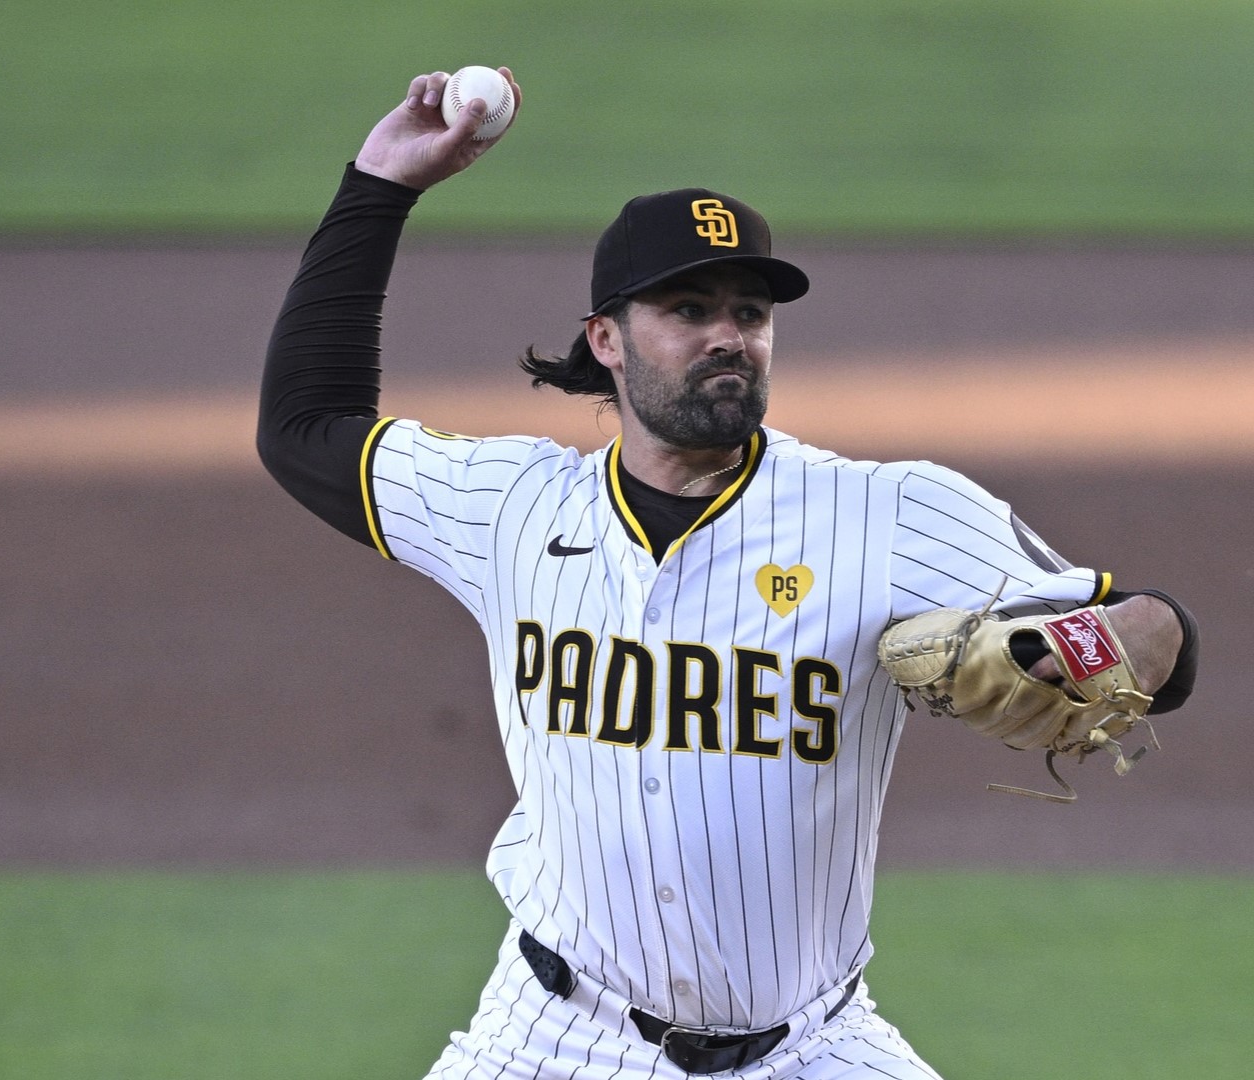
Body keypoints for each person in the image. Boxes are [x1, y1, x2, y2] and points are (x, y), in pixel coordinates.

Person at [258, 69, 1194, 1079]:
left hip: (815, 1049)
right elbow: (304, 427)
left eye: (749, 313)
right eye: (689, 307)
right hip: (549, 1040)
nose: (727, 336)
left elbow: (1156, 633)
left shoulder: (889, 514)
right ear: (606, 340)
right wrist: (380, 186)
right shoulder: (512, 506)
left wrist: (1079, 652)